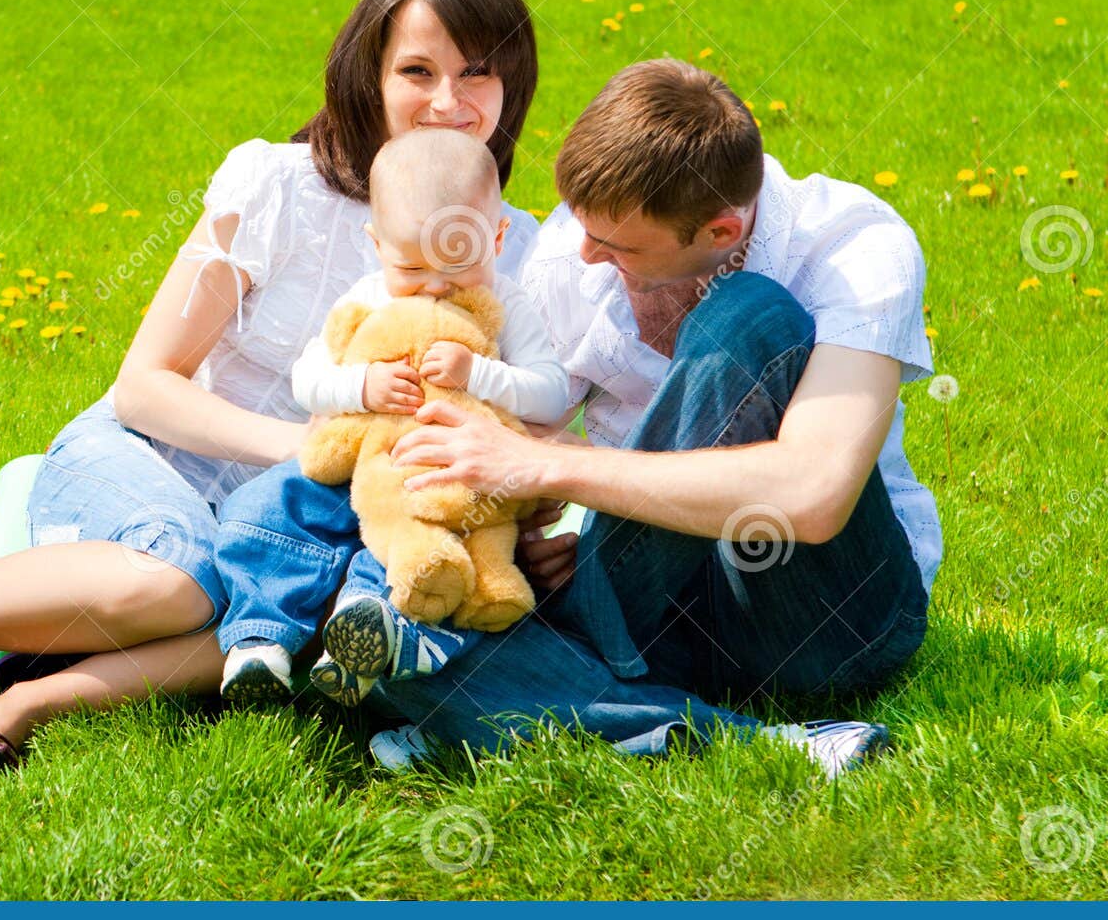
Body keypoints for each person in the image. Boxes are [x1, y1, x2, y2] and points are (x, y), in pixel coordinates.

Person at [0, 0, 543, 768]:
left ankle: (23, 701)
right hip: (161, 461)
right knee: (180, 582)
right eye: (418, 70)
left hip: (312, 525)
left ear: (510, 81)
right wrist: (316, 454)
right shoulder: (274, 187)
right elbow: (144, 388)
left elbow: (528, 412)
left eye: (477, 72)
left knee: (301, 609)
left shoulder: (516, 247)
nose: (449, 101)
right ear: (368, 76)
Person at [220, 59, 937, 780]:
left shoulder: (856, 250)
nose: (585, 256)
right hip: (641, 602)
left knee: (751, 314)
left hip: (818, 610)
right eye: (583, 229)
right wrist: (542, 525)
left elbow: (811, 494)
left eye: (617, 248)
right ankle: (754, 740)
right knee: (408, 622)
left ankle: (535, 704)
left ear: (720, 229)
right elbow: (510, 433)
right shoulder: (573, 253)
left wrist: (554, 469)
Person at [215, 127, 567, 705]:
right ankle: (260, 640)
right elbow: (308, 380)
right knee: (268, 505)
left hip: (448, 475)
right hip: (356, 462)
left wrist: (477, 373)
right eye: (410, 268)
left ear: (498, 237)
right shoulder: (366, 297)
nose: (432, 287)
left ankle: (374, 626)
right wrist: (361, 386)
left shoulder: (510, 306)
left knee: (422, 538)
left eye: (456, 269)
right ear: (377, 245)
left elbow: (552, 396)